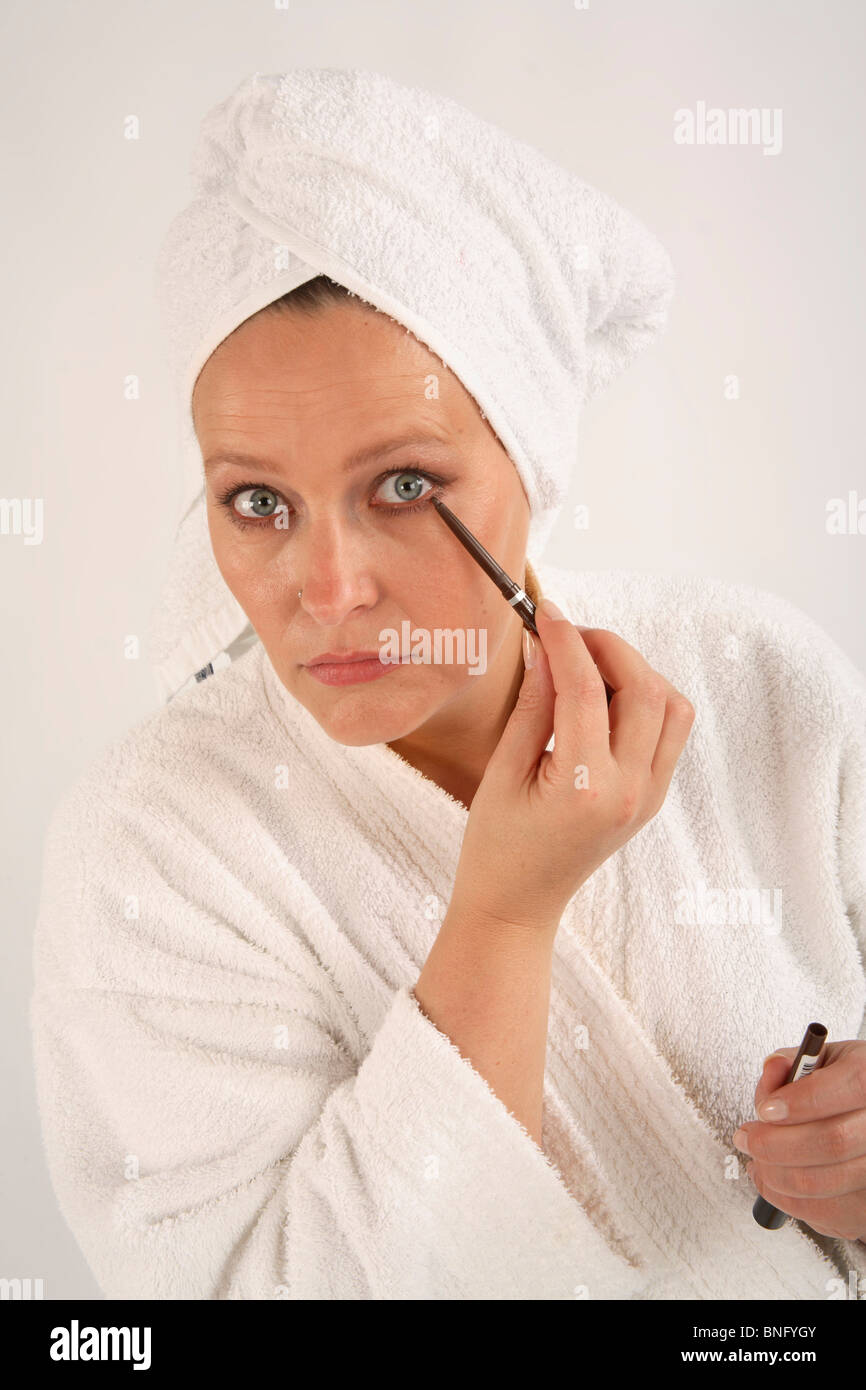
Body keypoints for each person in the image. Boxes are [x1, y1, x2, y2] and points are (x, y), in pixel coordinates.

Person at [30, 70, 866, 1300]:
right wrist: (499, 920)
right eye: (256, 501)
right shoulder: (152, 849)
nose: (326, 589)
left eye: (404, 486)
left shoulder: (759, 680)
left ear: (528, 460)